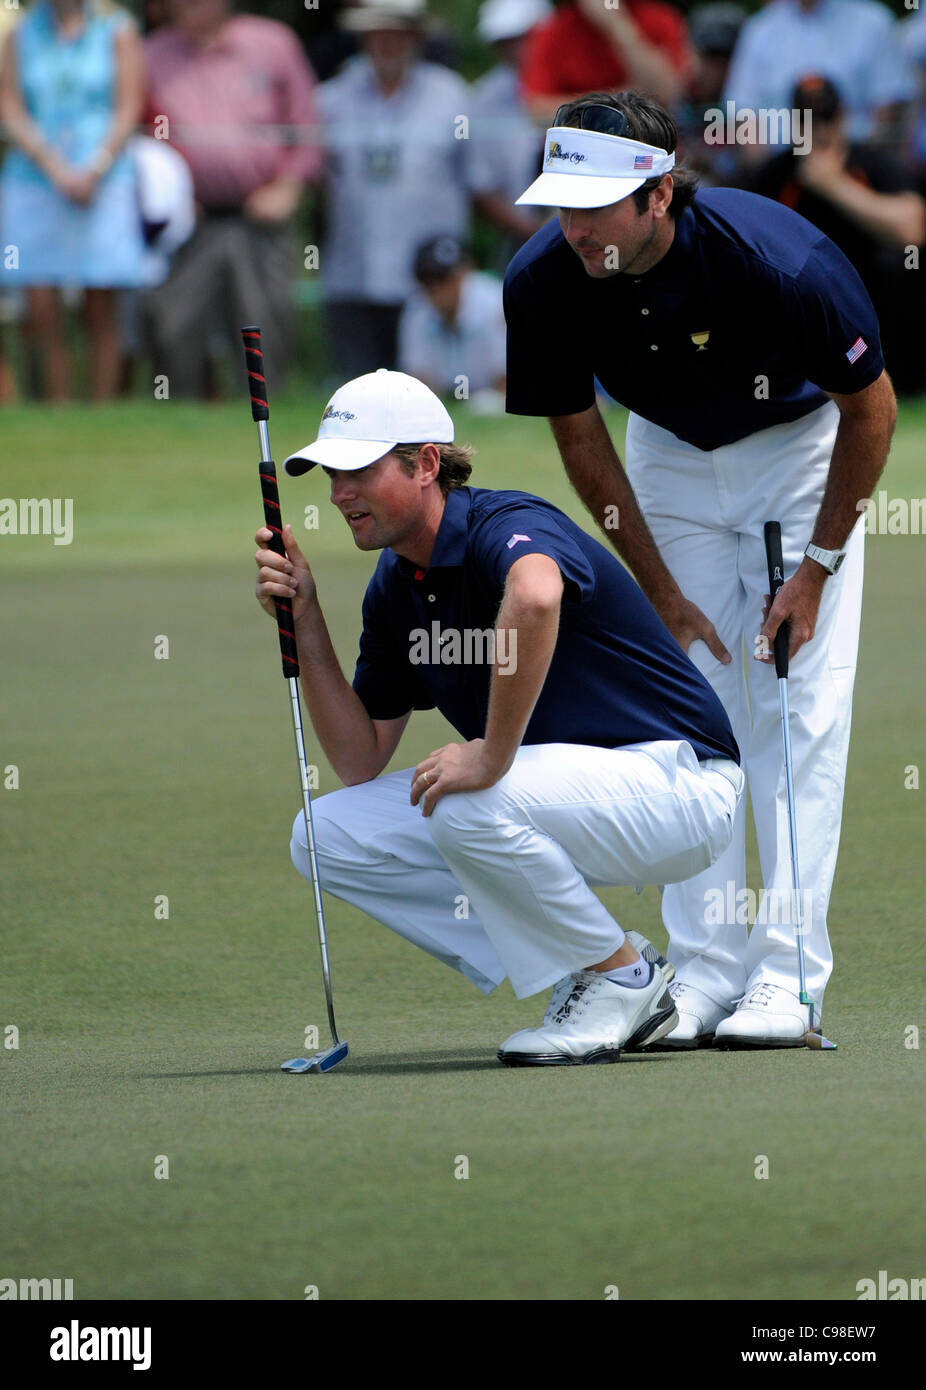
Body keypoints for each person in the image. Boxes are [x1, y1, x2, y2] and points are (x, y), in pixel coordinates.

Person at [504, 92, 896, 1048]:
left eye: (596, 204)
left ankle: (791, 980)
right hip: (668, 457)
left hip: (797, 451)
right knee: (690, 709)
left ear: (659, 193)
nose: (576, 228)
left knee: (793, 712)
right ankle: (706, 972)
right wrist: (662, 594)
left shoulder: (780, 261)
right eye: (562, 202)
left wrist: (816, 568)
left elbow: (872, 410)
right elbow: (579, 430)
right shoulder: (543, 278)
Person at [253, 369, 744, 1065]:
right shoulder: (396, 586)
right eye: (331, 476)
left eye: (357, 470)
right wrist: (304, 616)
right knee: (326, 834)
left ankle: (619, 978)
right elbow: (359, 757)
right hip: (565, 798)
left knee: (466, 800)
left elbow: (537, 597)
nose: (337, 495)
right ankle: (597, 959)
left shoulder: (506, 525)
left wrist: (491, 755)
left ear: (425, 465)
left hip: (681, 785)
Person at [143, 0, 321, 397]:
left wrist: (289, 187)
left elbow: (307, 126)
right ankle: (182, 423)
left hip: (260, 218)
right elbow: (138, 135)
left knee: (264, 329)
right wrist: (166, 198)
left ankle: (263, 426)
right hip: (187, 222)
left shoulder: (273, 43)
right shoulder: (151, 54)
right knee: (174, 330)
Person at [317, 0, 498, 379]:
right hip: (352, 271)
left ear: (416, 36)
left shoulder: (452, 97)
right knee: (356, 394)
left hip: (431, 278)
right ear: (363, 37)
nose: (386, 42)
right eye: (377, 31)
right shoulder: (331, 99)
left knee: (422, 398)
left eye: (397, 31)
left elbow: (480, 183)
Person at [0, 0, 146, 402]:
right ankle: (56, 408)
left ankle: (101, 411)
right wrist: (53, 166)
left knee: (101, 302)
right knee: (40, 306)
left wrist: (94, 168)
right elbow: (10, 104)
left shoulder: (118, 28)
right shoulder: (22, 32)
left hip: (105, 178)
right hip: (33, 178)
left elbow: (128, 106)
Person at [748, 74, 926, 396]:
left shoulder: (871, 163)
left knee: (905, 271)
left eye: (825, 118)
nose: (817, 131)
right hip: (801, 308)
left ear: (842, 117)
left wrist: (833, 185)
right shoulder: (775, 174)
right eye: (807, 120)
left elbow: (911, 229)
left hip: (872, 304)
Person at [723, 0, 915, 151]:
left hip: (856, 168)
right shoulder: (759, 30)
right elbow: (743, 113)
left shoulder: (875, 23)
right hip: (781, 172)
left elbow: (888, 113)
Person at [519, 0, 691, 124]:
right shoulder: (551, 31)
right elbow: (537, 112)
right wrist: (626, 95)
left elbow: (668, 91)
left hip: (648, 147)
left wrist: (616, 25)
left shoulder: (659, 18)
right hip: (578, 153)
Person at [472, 0, 551, 268]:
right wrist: (535, 230)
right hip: (518, 239)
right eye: (504, 41)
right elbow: (481, 185)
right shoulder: (485, 98)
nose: (515, 49)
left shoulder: (579, 78)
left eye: (523, 37)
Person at [397, 235, 507, 407]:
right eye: (428, 282)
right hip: (447, 398)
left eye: (443, 280)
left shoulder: (497, 303)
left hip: (490, 399)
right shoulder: (417, 310)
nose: (437, 291)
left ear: (463, 274)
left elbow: (508, 381)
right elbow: (417, 381)